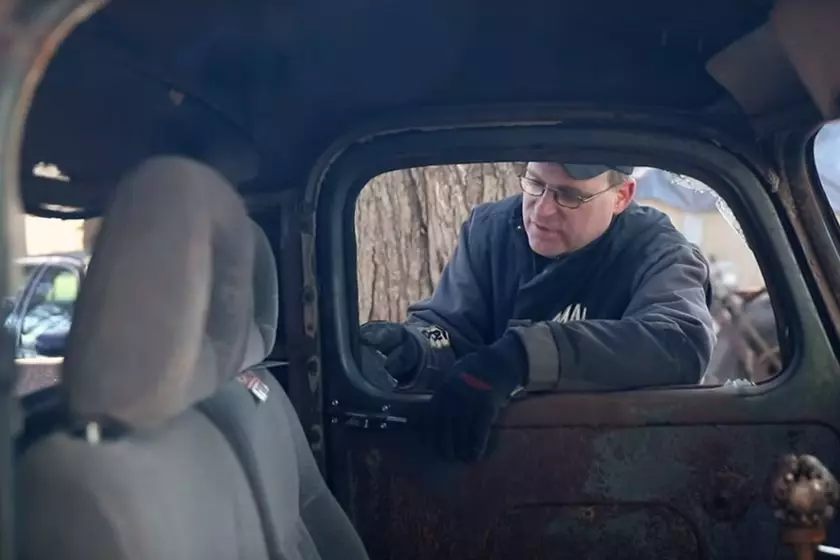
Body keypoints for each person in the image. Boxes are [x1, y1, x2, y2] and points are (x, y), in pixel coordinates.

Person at [360, 162, 716, 463]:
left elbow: (679, 341)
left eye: (570, 196)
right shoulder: (491, 229)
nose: (542, 210)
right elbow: (447, 331)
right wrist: (415, 348)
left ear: (622, 196)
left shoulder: (659, 252)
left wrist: (521, 356)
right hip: (483, 459)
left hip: (606, 460)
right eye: (535, 183)